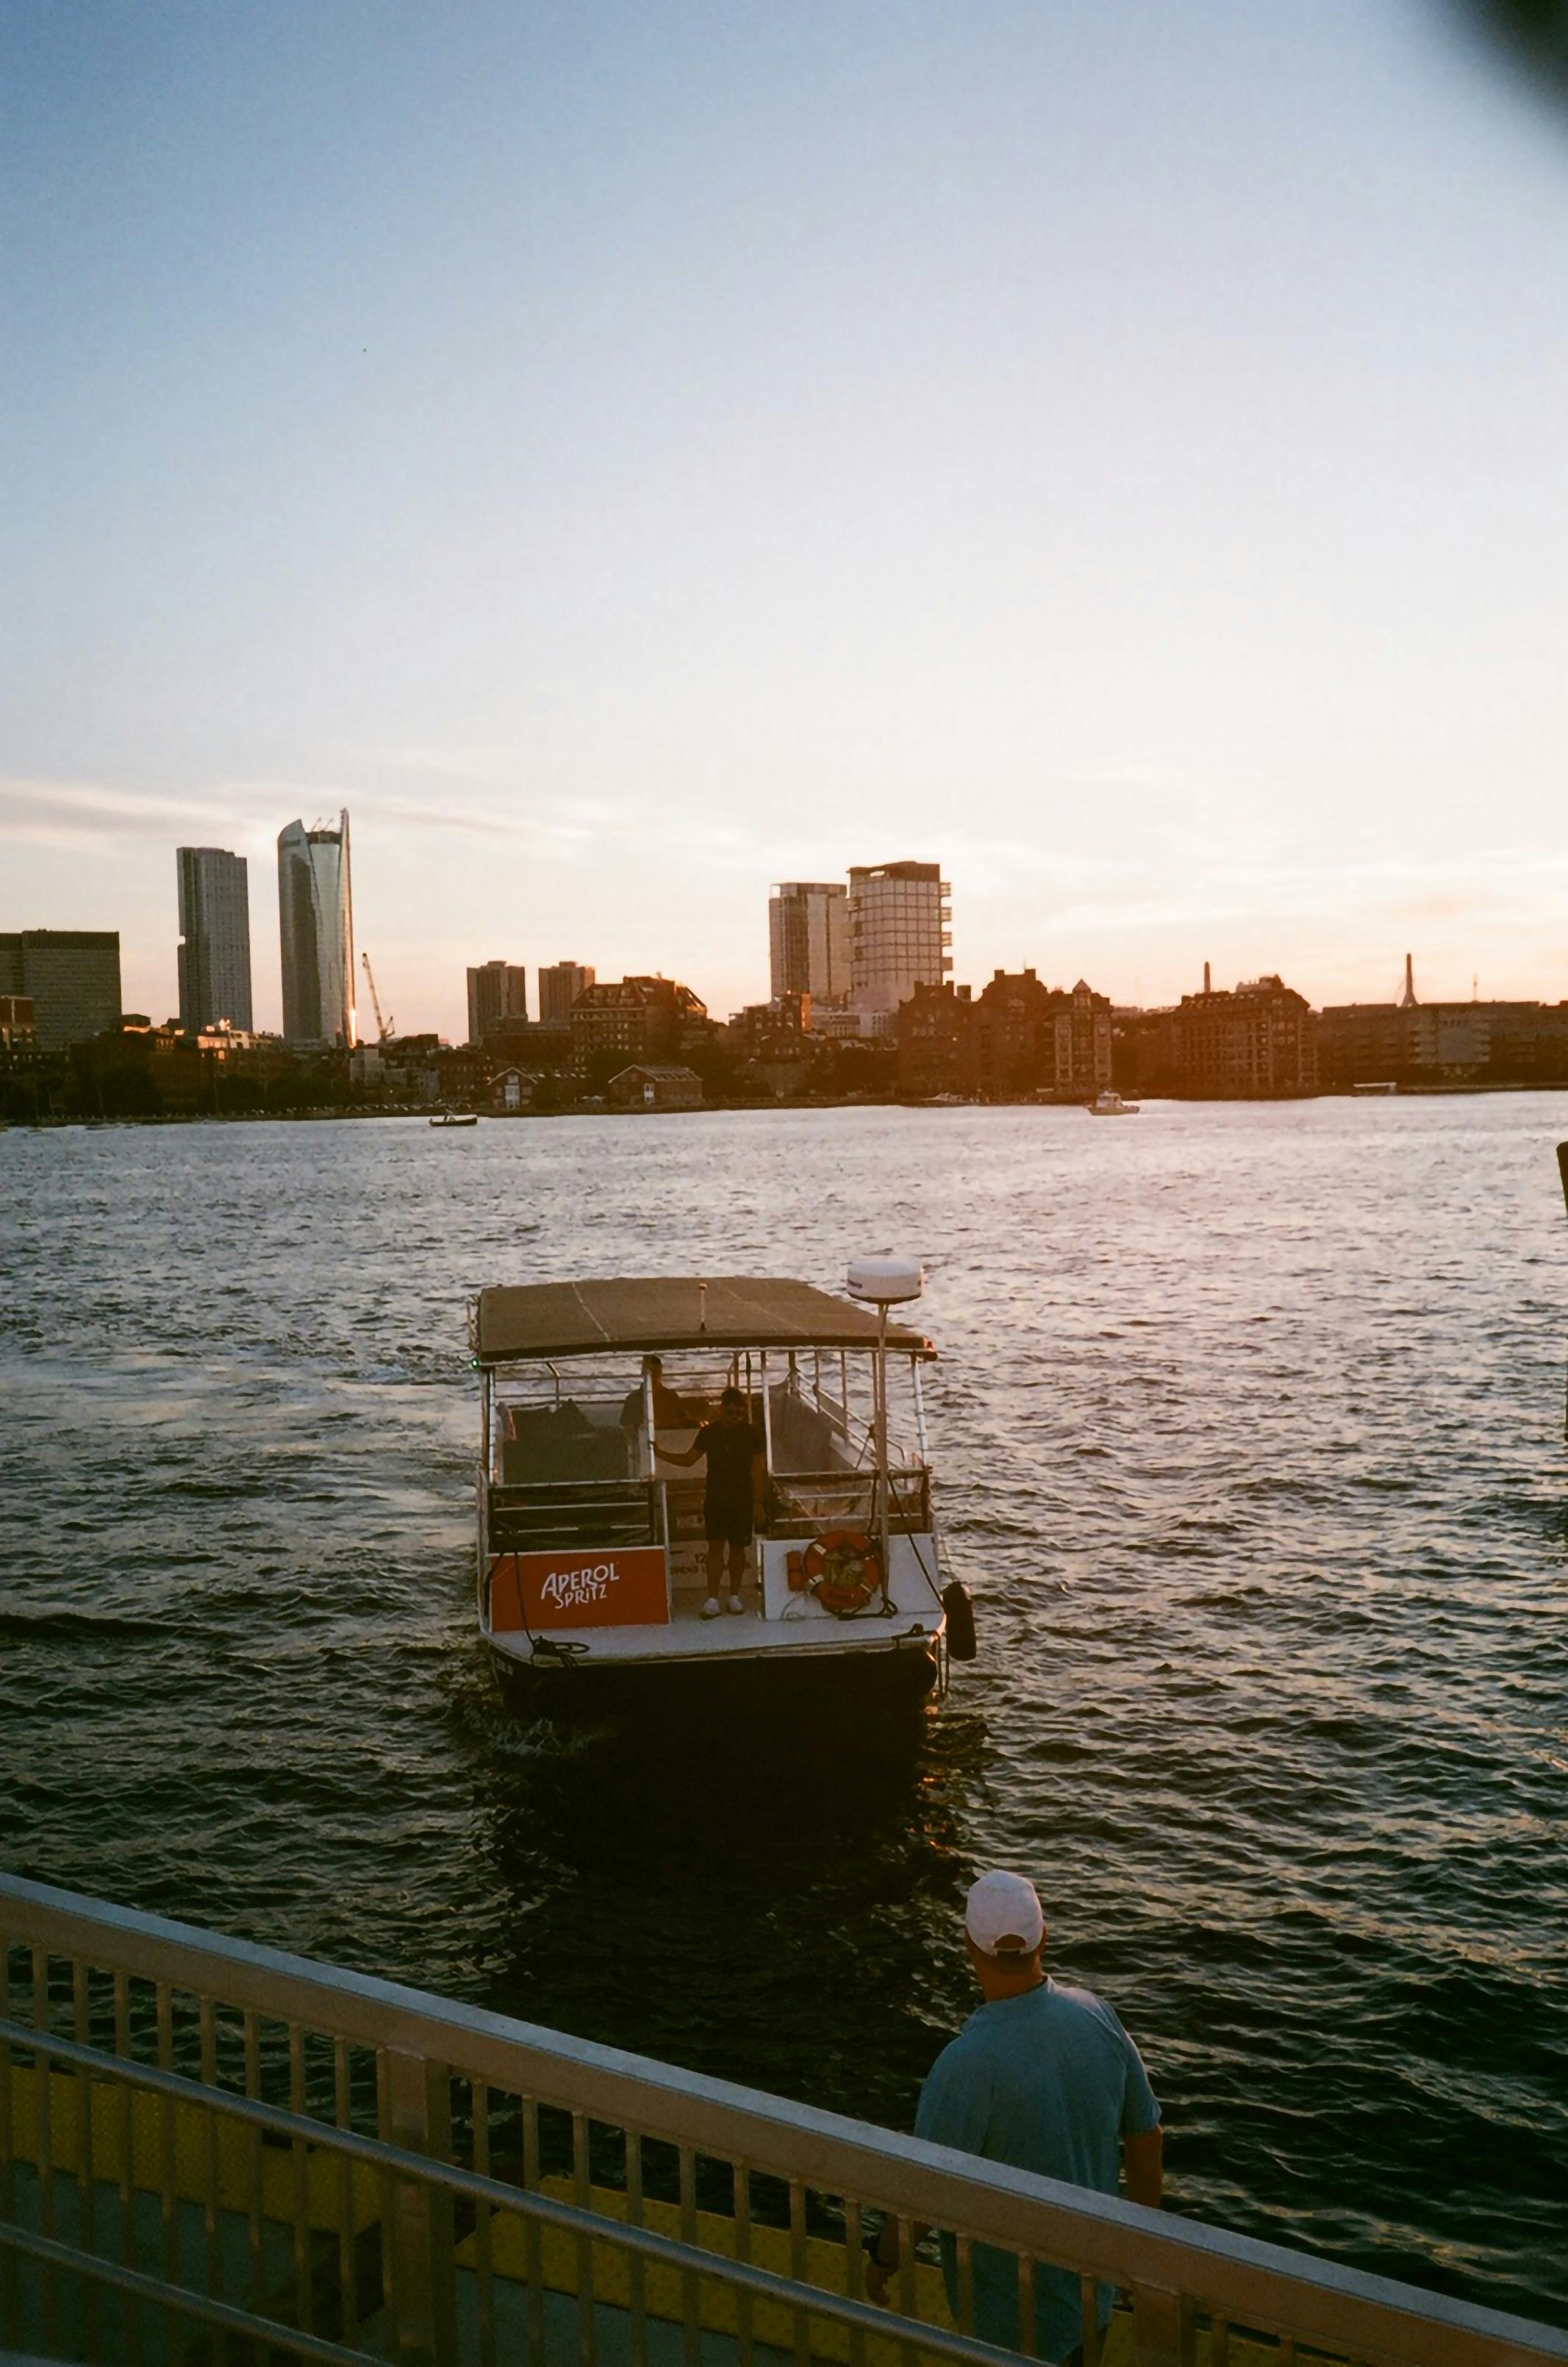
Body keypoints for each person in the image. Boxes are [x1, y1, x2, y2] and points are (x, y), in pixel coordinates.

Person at [866, 1871, 1162, 2366]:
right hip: (1094, 2293)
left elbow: (924, 2192)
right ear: (1043, 1936)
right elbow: (1146, 2139)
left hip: (1009, 2315)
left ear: (968, 1945)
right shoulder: (1098, 2016)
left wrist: (883, 2259)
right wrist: (1136, 2258)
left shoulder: (964, 2064)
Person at [656, 1384, 766, 1618]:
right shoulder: (709, 1433)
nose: (734, 1417)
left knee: (738, 1549)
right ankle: (712, 1598)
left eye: (738, 1413)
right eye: (729, 1412)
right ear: (721, 1409)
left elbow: (758, 1471)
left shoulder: (753, 1434)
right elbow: (688, 1461)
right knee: (715, 1547)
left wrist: (759, 1503)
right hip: (716, 1497)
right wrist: (660, 1453)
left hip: (743, 1498)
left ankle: (735, 1596)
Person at [619, 1355, 687, 1438]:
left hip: (668, 1445)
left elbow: (683, 1424)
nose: (654, 1376)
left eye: (656, 1372)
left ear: (661, 1374)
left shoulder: (671, 1397)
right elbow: (626, 1427)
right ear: (643, 1373)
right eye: (651, 1372)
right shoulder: (633, 1399)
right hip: (641, 1445)